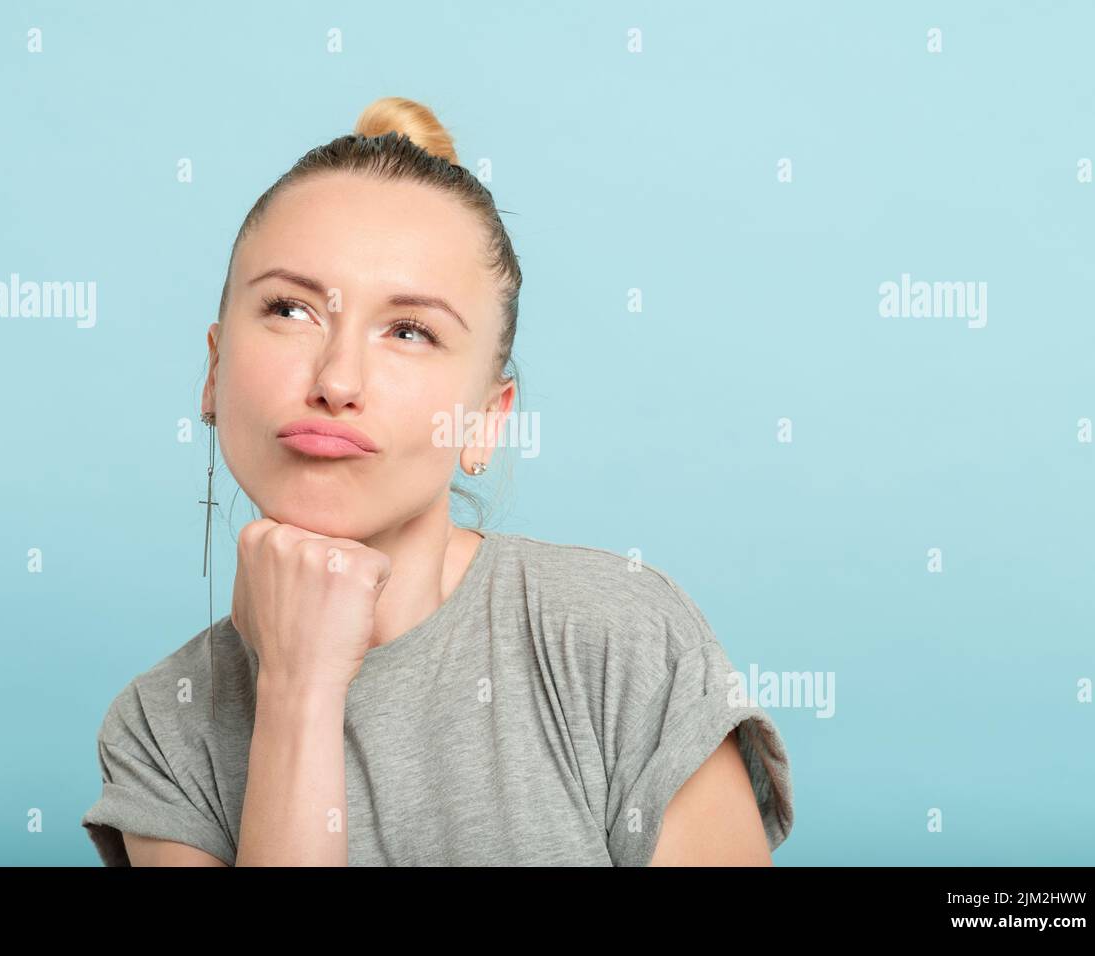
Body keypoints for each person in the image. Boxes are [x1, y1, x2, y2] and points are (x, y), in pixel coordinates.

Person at [80, 96, 794, 866]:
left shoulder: (619, 642)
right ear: (214, 370)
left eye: (410, 331)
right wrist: (298, 689)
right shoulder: (163, 727)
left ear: (487, 418)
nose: (337, 379)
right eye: (289, 309)